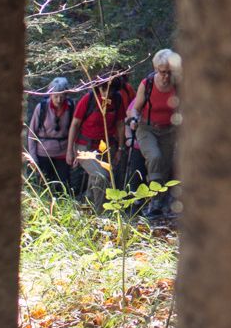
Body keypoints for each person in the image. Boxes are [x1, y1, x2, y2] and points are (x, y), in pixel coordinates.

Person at [67, 74, 134, 209]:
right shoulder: (89, 99)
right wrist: (69, 150)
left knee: (95, 179)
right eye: (104, 89)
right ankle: (101, 214)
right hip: (84, 147)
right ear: (99, 88)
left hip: (105, 147)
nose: (106, 94)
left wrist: (120, 149)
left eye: (110, 91)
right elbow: (75, 124)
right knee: (101, 176)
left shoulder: (117, 100)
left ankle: (88, 210)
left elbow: (120, 124)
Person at [128, 49, 180, 216]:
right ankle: (154, 201)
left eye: (169, 72)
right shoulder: (147, 84)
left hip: (169, 130)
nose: (166, 76)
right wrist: (133, 120)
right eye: (162, 72)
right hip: (147, 128)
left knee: (164, 164)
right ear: (156, 69)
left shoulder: (179, 85)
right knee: (155, 156)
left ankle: (160, 204)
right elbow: (135, 109)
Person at [27, 77, 74, 192]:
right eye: (56, 96)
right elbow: (32, 133)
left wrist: (72, 152)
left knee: (62, 186)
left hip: (63, 153)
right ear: (50, 94)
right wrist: (33, 157)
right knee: (44, 187)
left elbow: (75, 131)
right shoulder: (41, 108)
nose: (59, 100)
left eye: (62, 96)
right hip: (43, 153)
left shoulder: (71, 107)